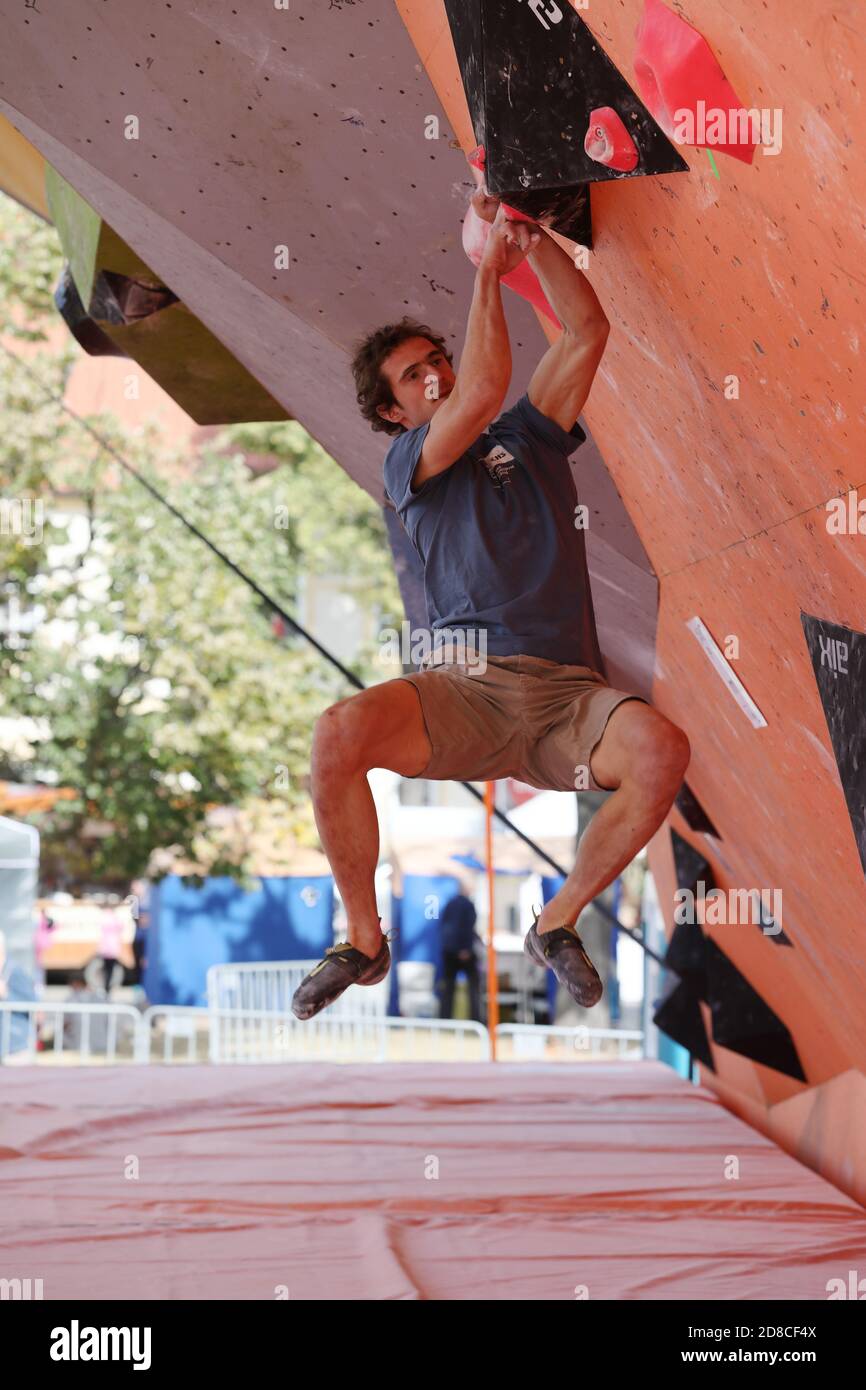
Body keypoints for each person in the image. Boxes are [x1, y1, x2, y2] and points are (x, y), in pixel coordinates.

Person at [291, 172, 690, 1023]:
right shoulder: (410, 470)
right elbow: (477, 391)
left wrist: (526, 231)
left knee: (661, 751)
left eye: (435, 357)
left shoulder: (530, 436)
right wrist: (485, 265)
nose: (434, 374)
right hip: (464, 693)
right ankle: (363, 938)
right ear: (393, 416)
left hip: (564, 705)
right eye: (414, 376)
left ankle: (556, 923)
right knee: (336, 735)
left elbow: (587, 329)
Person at [438, 890, 482, 1023]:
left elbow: (446, 927)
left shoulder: (449, 904)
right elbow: (467, 926)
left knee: (448, 988)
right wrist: (465, 948)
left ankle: (445, 1019)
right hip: (463, 951)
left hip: (449, 951)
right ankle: (476, 1019)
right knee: (473, 989)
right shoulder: (467, 905)